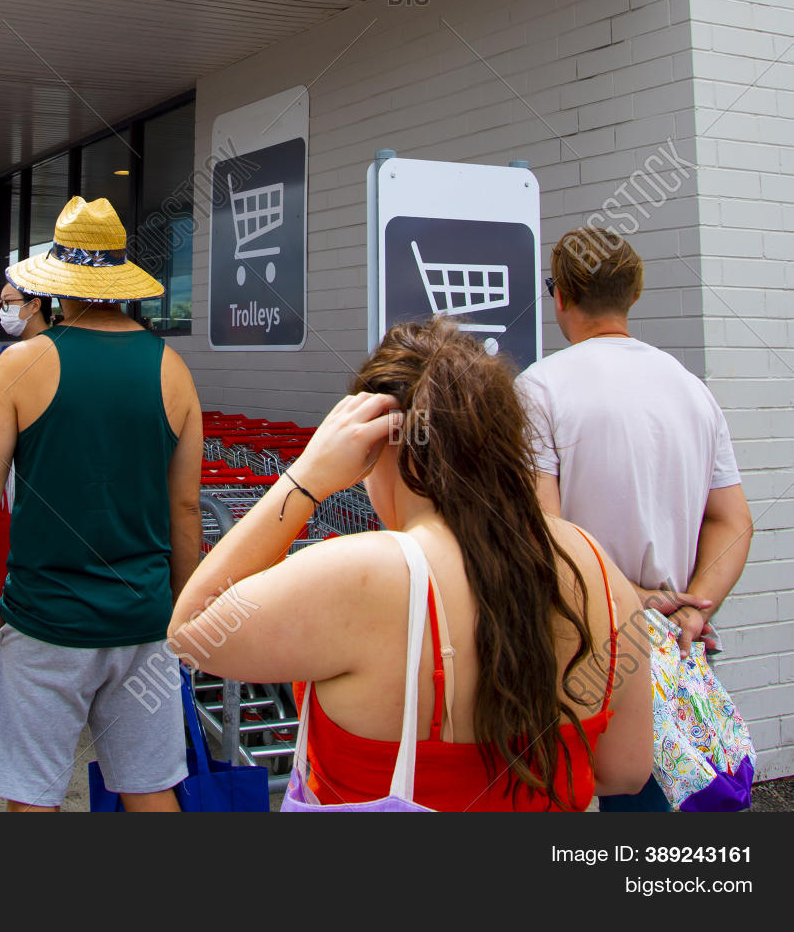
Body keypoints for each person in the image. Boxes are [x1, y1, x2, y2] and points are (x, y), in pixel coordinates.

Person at [170, 318, 654, 811]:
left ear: (382, 442)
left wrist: (307, 478)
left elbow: (190, 631)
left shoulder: (370, 575)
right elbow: (626, 772)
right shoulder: (598, 569)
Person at [0, 197, 203, 812]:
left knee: (32, 795)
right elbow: (187, 510)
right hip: (143, 618)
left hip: (44, 620)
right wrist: (182, 611)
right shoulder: (173, 369)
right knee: (151, 789)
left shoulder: (21, 364)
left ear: (57, 286)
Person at [516, 227, 753, 811]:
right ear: (634, 295)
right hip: (676, 646)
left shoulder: (539, 388)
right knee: (669, 807)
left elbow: (543, 532)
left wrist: (631, 599)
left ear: (562, 295)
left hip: (582, 647)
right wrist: (696, 605)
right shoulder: (692, 390)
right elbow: (733, 520)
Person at [0, 275, 52, 714]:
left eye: (9, 302)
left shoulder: (22, 359)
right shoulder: (19, 355)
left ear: (35, 305)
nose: (2, 311)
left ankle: (12, 683)